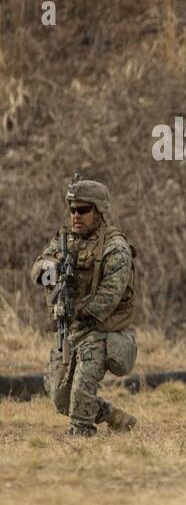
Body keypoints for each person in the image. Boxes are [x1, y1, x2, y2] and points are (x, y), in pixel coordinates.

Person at [31, 179, 139, 436]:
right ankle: (112, 415)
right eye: (72, 210)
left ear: (98, 211)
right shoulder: (64, 239)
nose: (76, 216)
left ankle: (81, 434)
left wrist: (75, 310)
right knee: (60, 397)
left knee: (81, 391)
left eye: (83, 210)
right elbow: (38, 267)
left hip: (99, 330)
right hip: (69, 330)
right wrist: (48, 268)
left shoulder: (115, 247)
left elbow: (108, 298)